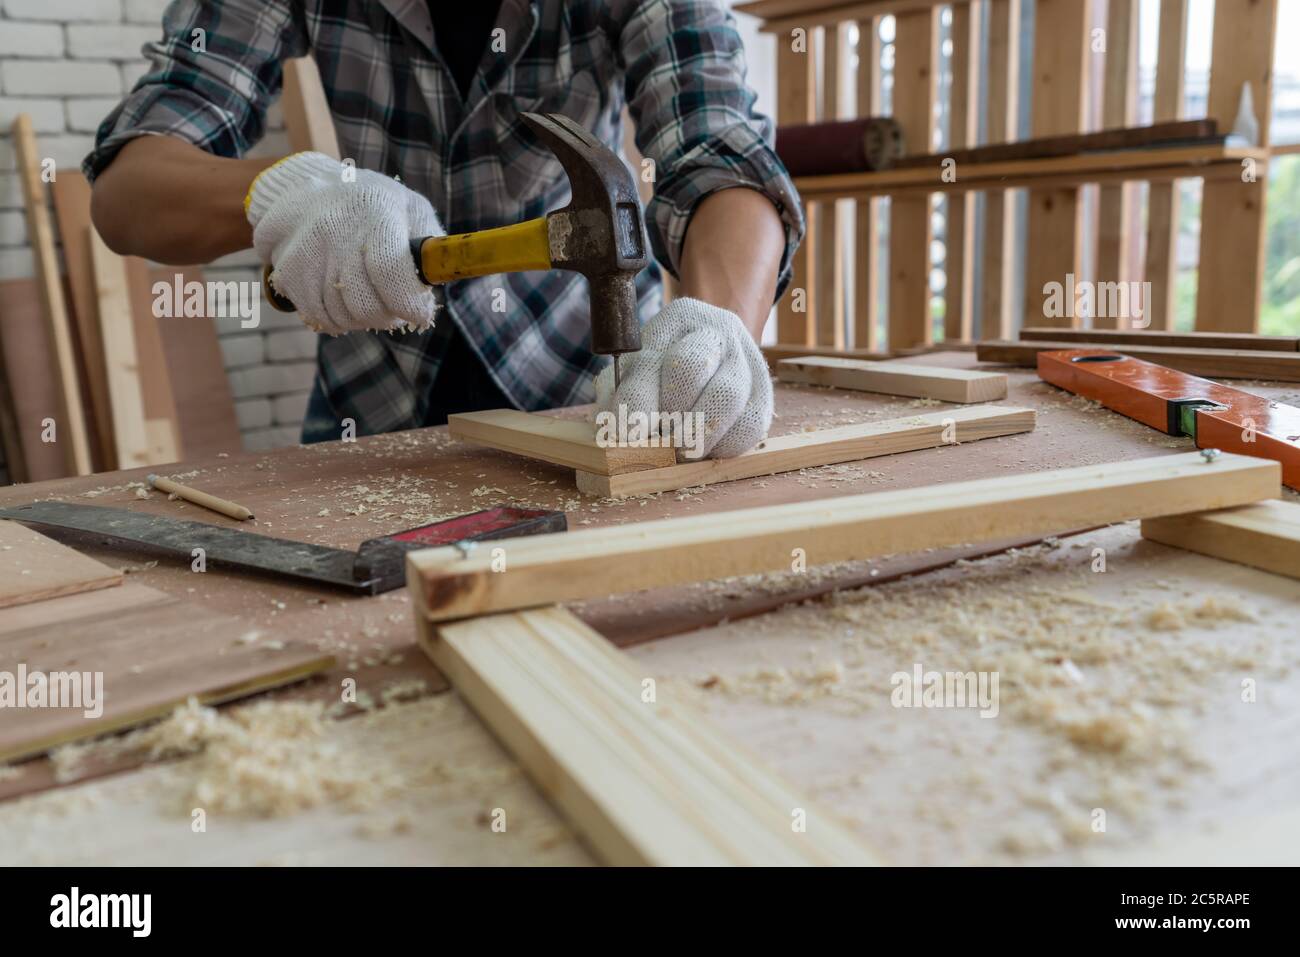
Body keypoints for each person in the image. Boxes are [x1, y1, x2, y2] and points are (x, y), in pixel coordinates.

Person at [86, 1, 803, 459]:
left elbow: (722, 152)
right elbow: (127, 188)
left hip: (591, 406)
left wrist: (721, 322)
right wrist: (279, 190)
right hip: (369, 403)